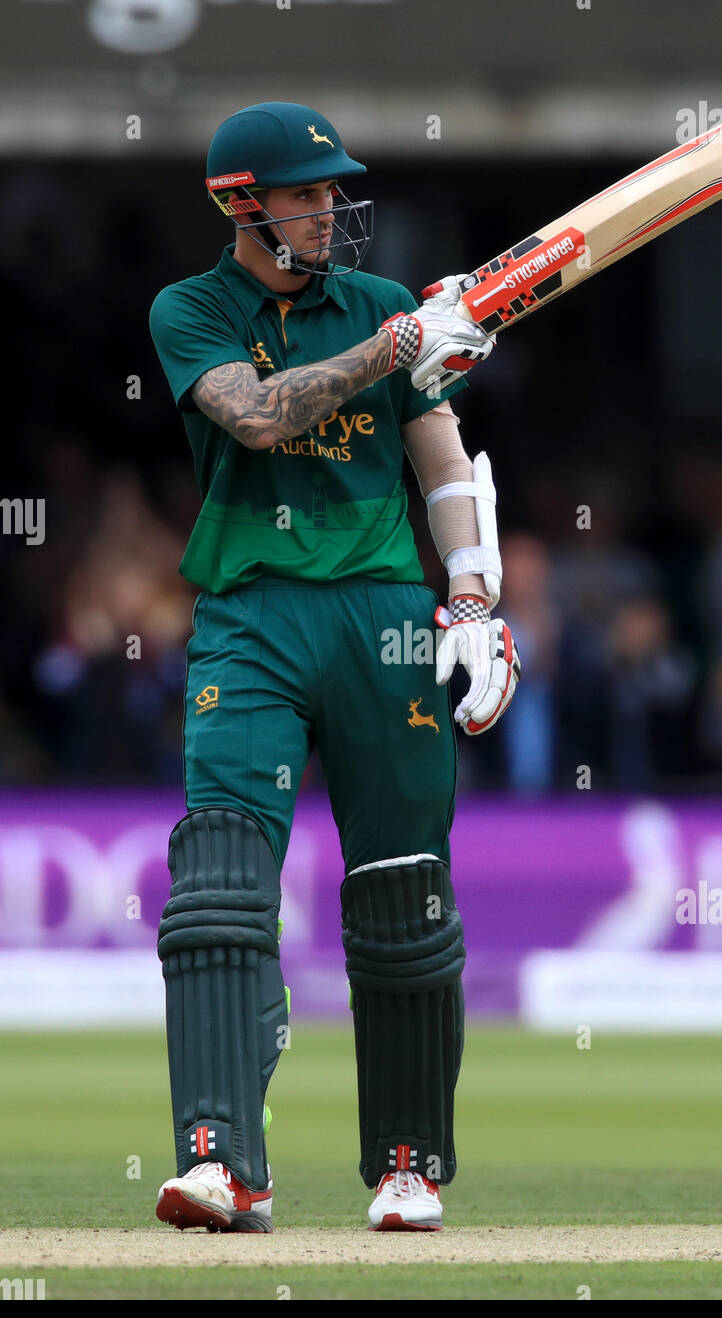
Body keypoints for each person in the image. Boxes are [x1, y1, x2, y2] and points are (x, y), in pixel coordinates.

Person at [148, 102, 520, 1233]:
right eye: (306, 195)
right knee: (219, 885)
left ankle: (409, 1167)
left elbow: (443, 461)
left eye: (331, 193)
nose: (328, 212)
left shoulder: (384, 304)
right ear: (242, 205)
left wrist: (469, 592)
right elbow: (255, 417)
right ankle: (221, 1161)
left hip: (384, 615)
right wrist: (396, 350)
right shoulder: (192, 309)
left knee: (404, 889)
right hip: (252, 614)